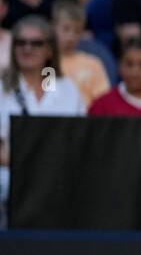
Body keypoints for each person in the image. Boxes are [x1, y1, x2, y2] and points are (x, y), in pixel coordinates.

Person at [0, 16, 86, 211]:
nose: (27, 48)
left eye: (36, 43)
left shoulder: (64, 88)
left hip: (60, 185)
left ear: (49, 49)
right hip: (10, 187)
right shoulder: (2, 88)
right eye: (21, 42)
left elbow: (80, 138)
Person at [51, 0, 109, 107]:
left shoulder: (93, 64)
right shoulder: (47, 64)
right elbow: (48, 101)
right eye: (66, 29)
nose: (71, 36)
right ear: (53, 27)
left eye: (77, 31)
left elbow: (102, 102)